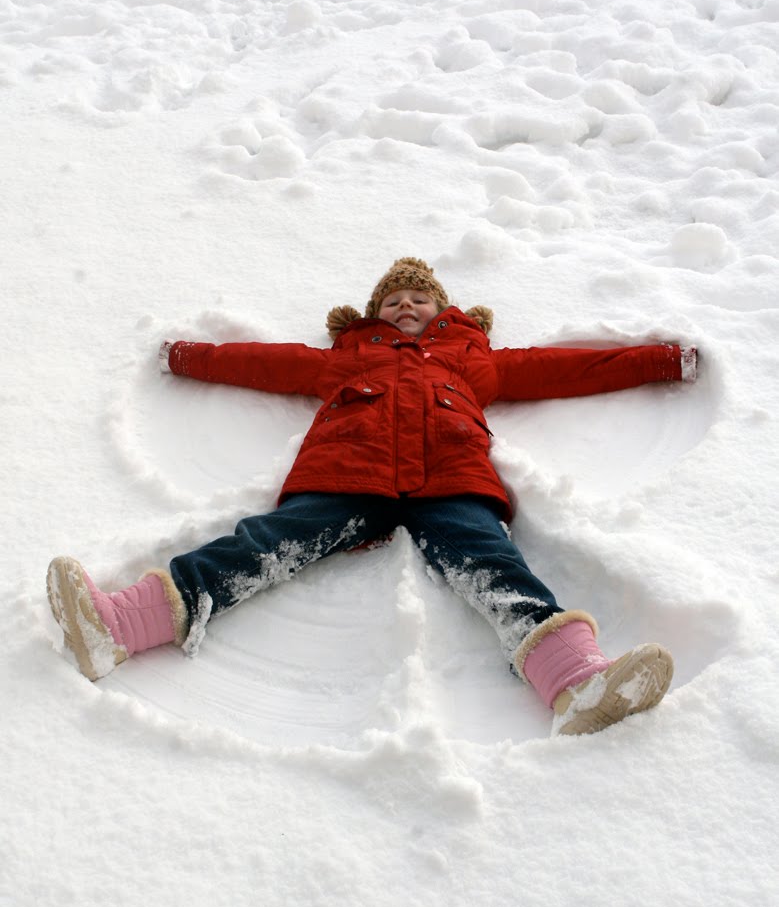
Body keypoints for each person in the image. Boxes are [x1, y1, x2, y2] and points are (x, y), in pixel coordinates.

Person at [47, 257, 697, 735]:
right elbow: (263, 363)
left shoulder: (475, 362)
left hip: (452, 478)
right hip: (345, 473)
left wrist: (660, 361)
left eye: (419, 298)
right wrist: (189, 356)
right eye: (392, 301)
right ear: (371, 315)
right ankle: (119, 626)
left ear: (446, 312)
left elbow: (571, 370)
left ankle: (579, 685)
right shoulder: (347, 359)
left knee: (494, 566)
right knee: (261, 546)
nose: (406, 306)